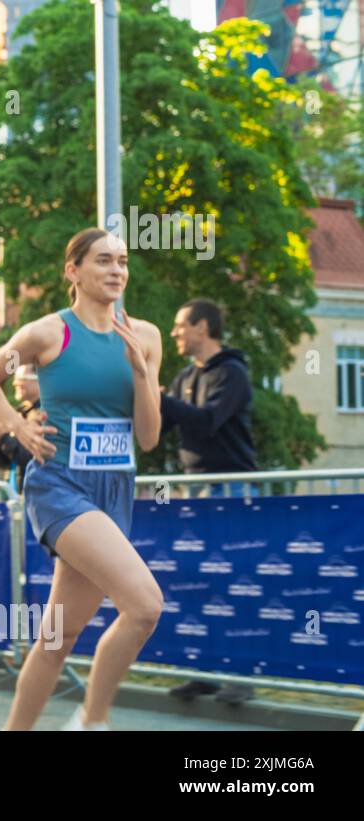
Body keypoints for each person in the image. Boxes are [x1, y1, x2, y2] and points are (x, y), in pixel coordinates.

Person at [0, 227, 164, 731]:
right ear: (73, 271)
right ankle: (92, 721)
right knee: (145, 606)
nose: (116, 270)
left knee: (58, 636)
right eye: (103, 260)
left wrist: (142, 375)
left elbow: (148, 438)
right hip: (60, 484)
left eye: (122, 261)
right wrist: (18, 424)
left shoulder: (145, 336)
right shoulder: (46, 333)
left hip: (115, 489)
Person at [161, 297, 259, 705]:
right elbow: (166, 424)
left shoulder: (233, 373)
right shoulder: (185, 375)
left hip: (231, 489)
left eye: (180, 325)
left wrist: (163, 399)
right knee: (197, 583)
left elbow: (206, 422)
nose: (174, 333)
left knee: (233, 582)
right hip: (194, 488)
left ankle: (242, 677)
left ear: (203, 327)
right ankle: (204, 672)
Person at [0, 363, 41, 487]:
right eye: (14, 378)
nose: (15, 383)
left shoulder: (45, 414)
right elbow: (7, 463)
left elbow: (35, 459)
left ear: (39, 380)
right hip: (20, 490)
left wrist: (3, 439)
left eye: (22, 378)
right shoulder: (19, 413)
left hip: (38, 491)